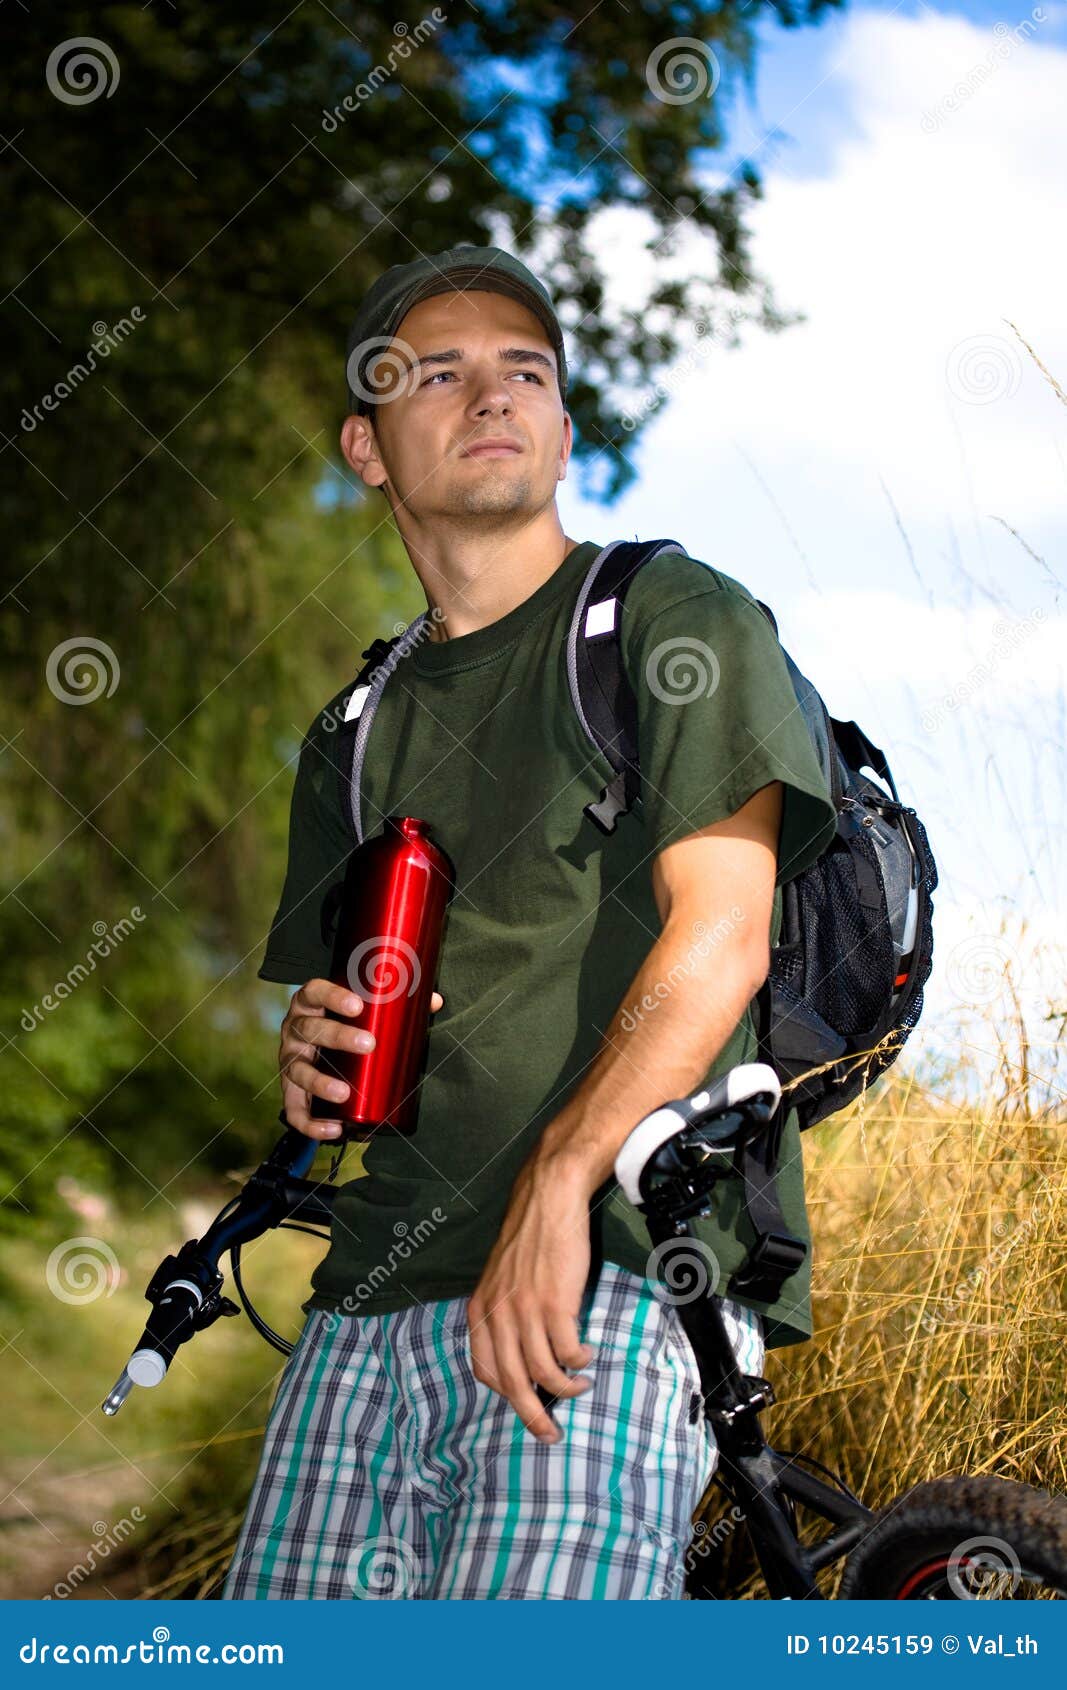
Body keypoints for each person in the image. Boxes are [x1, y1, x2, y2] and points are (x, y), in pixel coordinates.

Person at [220, 245, 836, 1601]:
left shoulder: (668, 614)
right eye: (439, 373)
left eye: (527, 372)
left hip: (614, 1268)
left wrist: (559, 1184)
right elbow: (342, 1027)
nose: (492, 393)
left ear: (561, 431)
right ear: (367, 446)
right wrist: (310, 1047)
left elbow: (722, 933)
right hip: (368, 1295)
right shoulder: (354, 727)